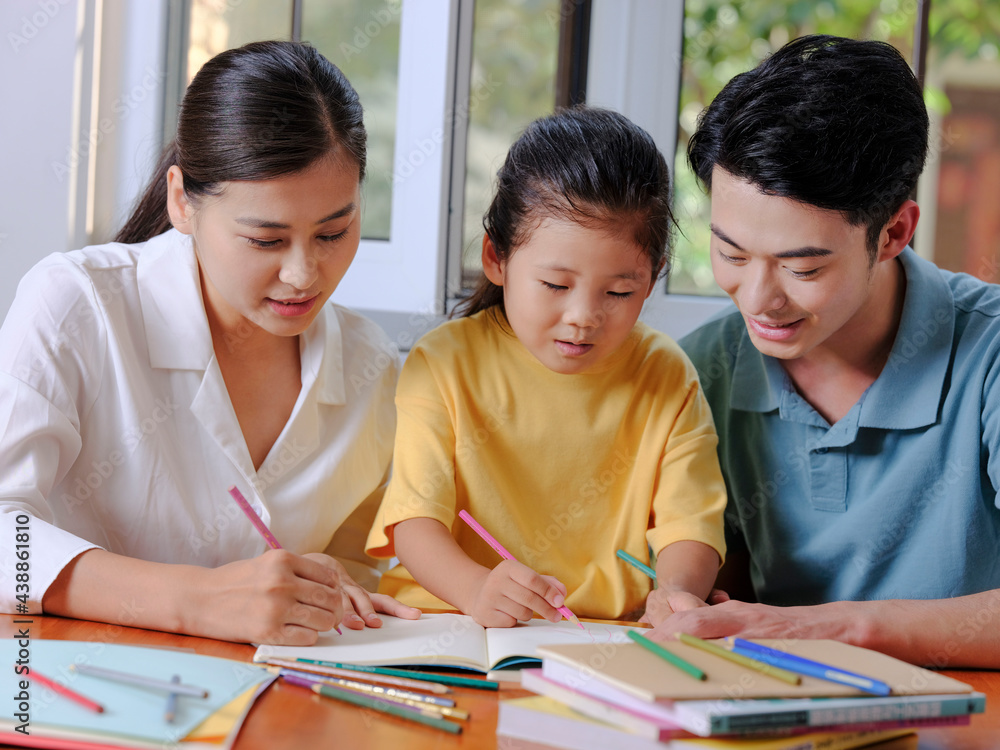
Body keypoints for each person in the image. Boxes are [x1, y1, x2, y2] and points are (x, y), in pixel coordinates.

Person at [0, 41, 420, 645]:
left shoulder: (368, 365)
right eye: (265, 240)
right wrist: (195, 602)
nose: (304, 274)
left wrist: (333, 588)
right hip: (83, 698)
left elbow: (354, 565)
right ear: (182, 201)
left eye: (334, 231)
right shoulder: (77, 305)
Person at [654, 34, 1000, 668]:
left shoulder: (990, 356)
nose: (757, 298)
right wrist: (676, 597)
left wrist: (836, 630)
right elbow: (702, 575)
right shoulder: (699, 371)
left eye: (802, 268)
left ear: (894, 231)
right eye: (729, 254)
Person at [365, 106, 728, 628]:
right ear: (497, 258)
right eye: (556, 286)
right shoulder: (442, 363)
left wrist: (673, 595)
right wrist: (476, 590)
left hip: (604, 632)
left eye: (620, 292)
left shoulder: (666, 374)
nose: (583, 317)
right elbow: (413, 520)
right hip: (453, 621)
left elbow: (689, 525)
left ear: (652, 280)